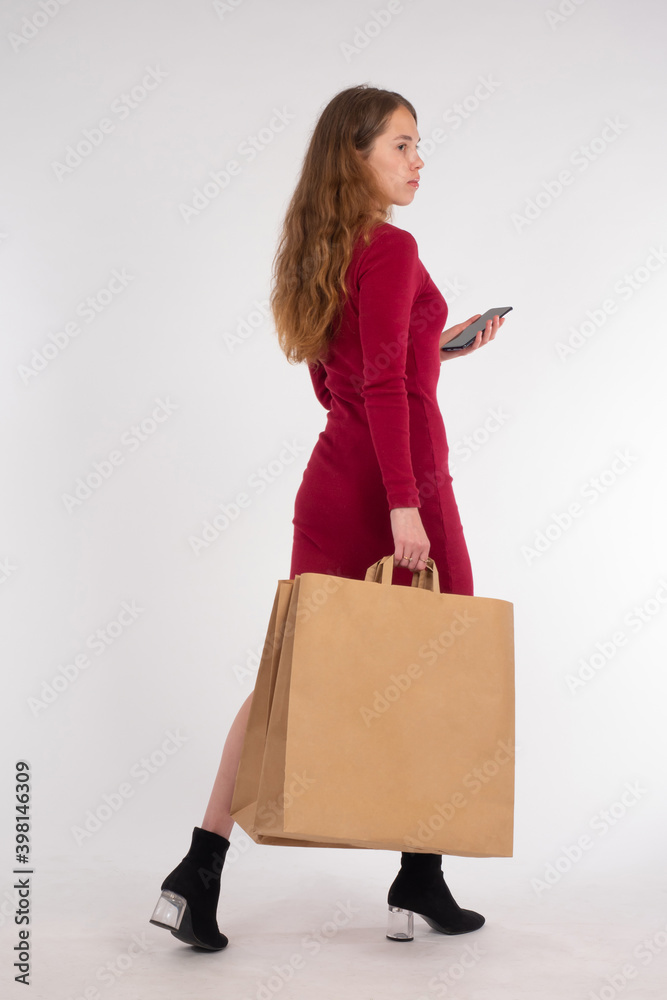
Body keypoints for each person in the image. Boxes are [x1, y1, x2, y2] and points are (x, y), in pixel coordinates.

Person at [149, 84, 506, 951]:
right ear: (355, 155)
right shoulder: (392, 246)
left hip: (336, 481)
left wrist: (437, 345)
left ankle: (197, 873)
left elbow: (342, 379)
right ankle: (418, 872)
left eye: (417, 145)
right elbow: (380, 384)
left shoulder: (322, 249)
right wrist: (405, 506)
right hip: (398, 488)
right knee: (439, 663)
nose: (418, 161)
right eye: (401, 145)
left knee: (290, 674)